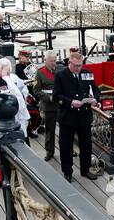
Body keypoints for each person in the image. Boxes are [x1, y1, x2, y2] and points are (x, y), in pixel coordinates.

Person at [53, 51, 102, 182]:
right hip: (67, 117)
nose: (77, 68)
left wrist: (95, 99)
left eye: (80, 65)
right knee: (66, 146)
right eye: (75, 65)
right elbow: (56, 96)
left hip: (84, 116)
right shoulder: (60, 75)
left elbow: (96, 90)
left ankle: (85, 169)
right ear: (69, 63)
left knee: (86, 145)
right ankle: (67, 171)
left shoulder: (87, 74)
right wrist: (70, 102)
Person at [35, 50, 61, 161]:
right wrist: (48, 98)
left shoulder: (61, 70)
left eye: (54, 61)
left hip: (61, 105)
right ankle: (49, 151)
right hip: (48, 106)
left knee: (65, 129)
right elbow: (36, 90)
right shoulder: (40, 73)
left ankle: (67, 149)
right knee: (49, 130)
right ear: (45, 60)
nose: (53, 63)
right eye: (51, 61)